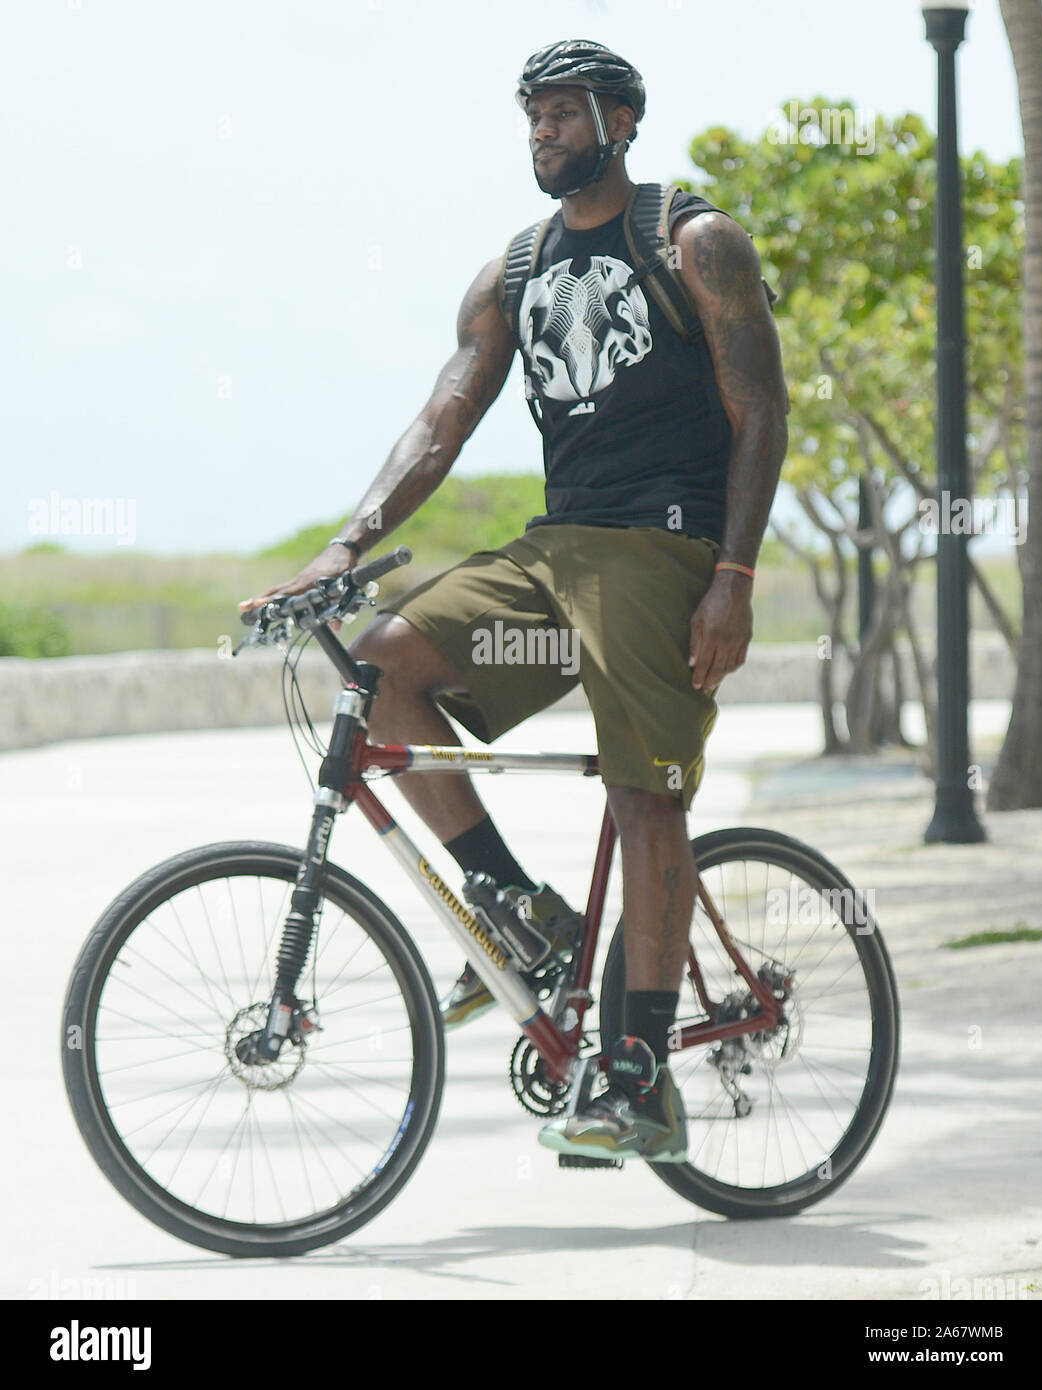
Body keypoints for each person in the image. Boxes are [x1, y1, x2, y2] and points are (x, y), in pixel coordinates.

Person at [242, 39, 788, 1163]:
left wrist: (733, 578)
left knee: (646, 794)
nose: (541, 132)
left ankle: (637, 1075)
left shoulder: (695, 242)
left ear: (621, 121)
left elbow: (762, 411)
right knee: (385, 663)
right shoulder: (517, 268)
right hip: (553, 558)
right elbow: (444, 415)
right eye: (531, 115)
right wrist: (337, 548)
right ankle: (526, 912)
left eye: (562, 113)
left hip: (665, 549)